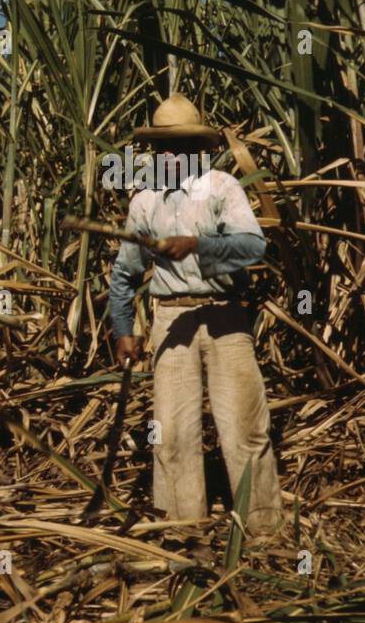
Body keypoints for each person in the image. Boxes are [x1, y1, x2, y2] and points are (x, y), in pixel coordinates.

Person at [108, 93, 282, 544]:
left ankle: (263, 529)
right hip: (171, 322)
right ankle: (182, 529)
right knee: (172, 433)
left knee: (244, 427)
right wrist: (123, 329)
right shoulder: (145, 202)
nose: (171, 155)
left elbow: (253, 246)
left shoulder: (222, 187)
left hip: (225, 319)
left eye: (181, 146)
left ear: (197, 149)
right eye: (163, 148)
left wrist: (198, 245)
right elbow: (125, 272)